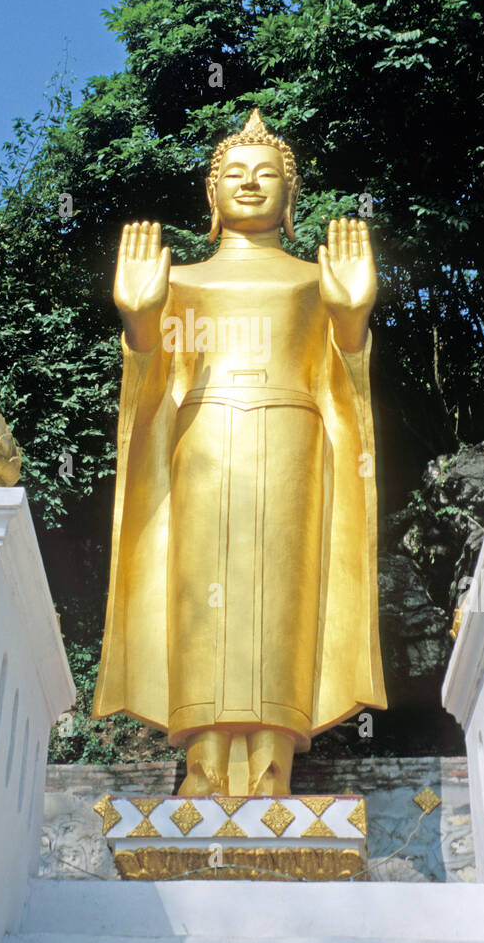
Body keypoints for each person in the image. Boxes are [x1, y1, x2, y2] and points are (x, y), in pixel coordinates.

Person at [92, 109, 386, 795]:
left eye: (267, 175)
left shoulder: (316, 282)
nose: (249, 184)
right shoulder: (183, 284)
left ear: (292, 198)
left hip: (293, 440)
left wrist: (350, 320)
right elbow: (158, 389)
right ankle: (202, 763)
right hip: (203, 443)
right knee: (205, 599)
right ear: (210, 195)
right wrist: (140, 322)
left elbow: (342, 384)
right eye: (233, 174)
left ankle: (271, 762)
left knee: (282, 595)